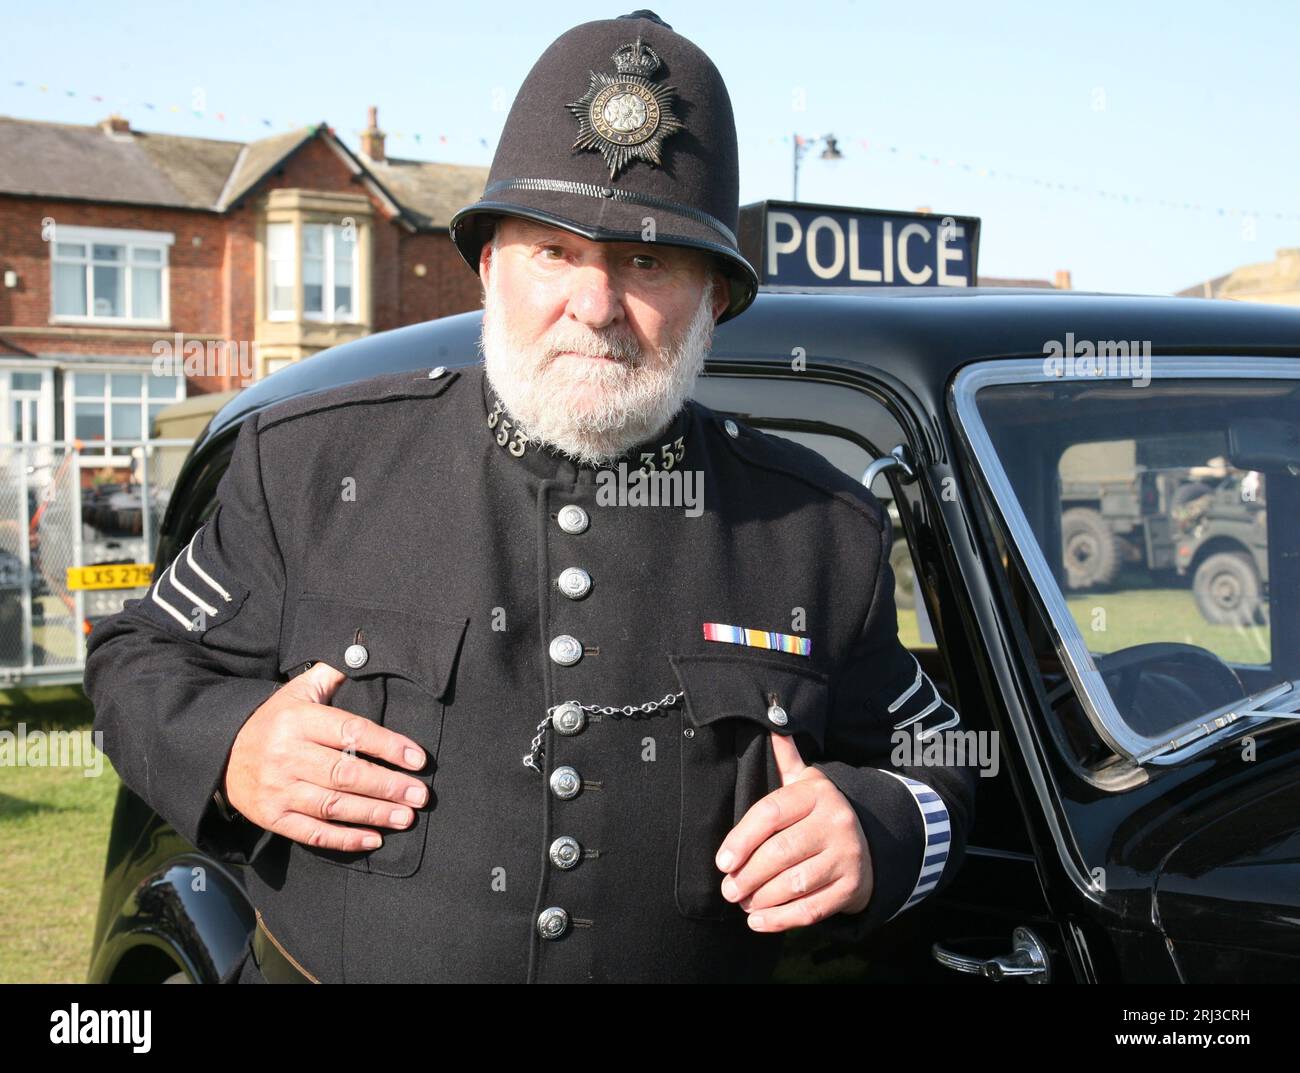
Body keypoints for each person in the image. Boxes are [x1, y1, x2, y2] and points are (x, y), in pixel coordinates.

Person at [83, 10, 977, 984]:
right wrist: (233, 745)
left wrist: (878, 826)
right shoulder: (309, 465)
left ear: (713, 296)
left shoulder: (817, 530)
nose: (595, 305)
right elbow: (136, 654)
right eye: (555, 251)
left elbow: (945, 750)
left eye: (645, 261)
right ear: (488, 263)